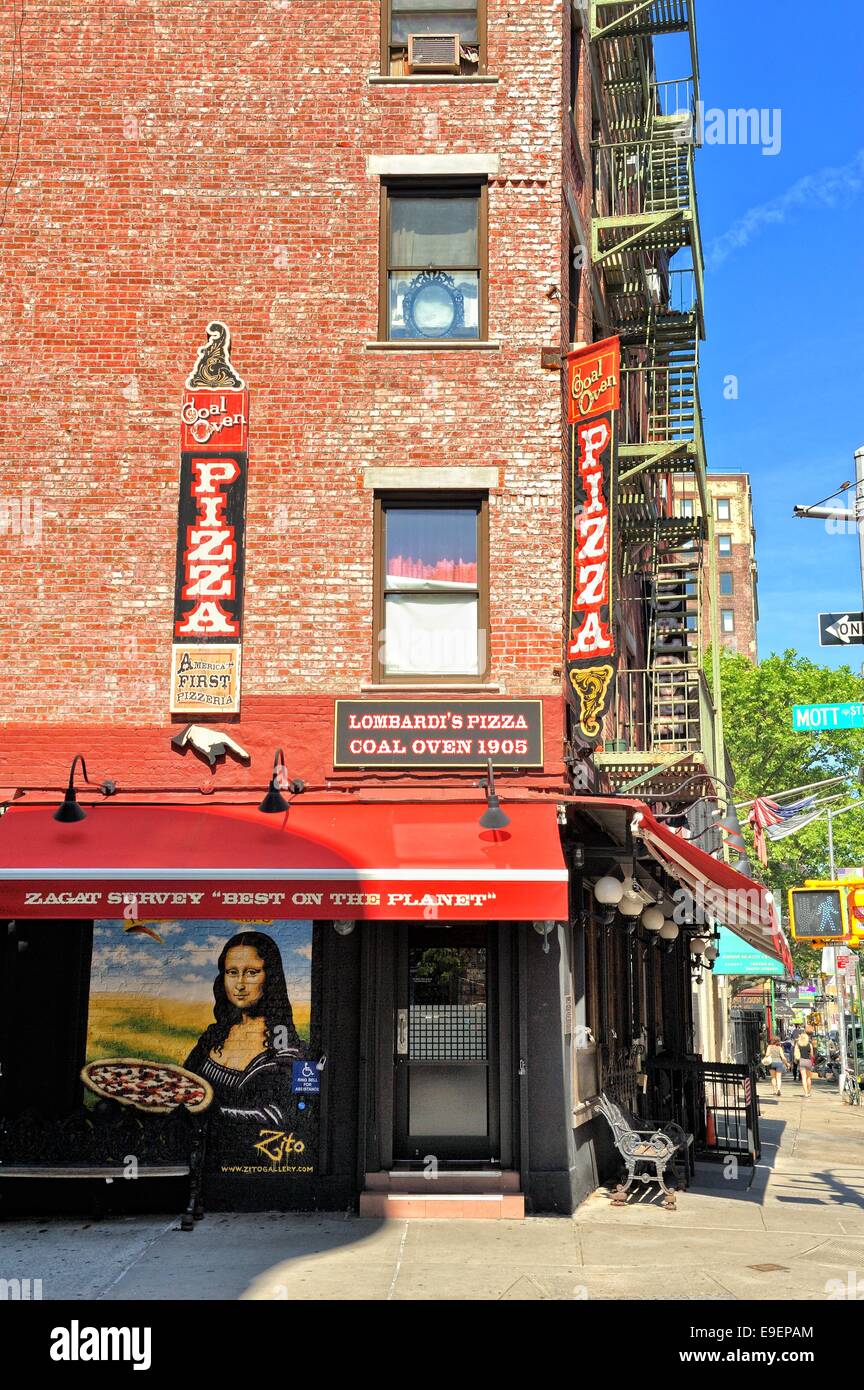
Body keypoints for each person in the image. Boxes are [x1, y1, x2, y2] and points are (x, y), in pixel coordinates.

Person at [184, 931, 305, 1140]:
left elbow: (280, 1116)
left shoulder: (286, 1048)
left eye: (251, 972)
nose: (239, 984)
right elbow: (182, 1084)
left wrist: (207, 1112)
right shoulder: (214, 1036)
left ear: (270, 977)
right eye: (232, 972)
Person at [794, 1027, 815, 1096]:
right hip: (808, 1061)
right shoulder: (809, 1045)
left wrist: (796, 1060)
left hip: (801, 1061)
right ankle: (809, 1092)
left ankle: (805, 1093)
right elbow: (812, 1055)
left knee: (803, 1077)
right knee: (808, 1078)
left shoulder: (798, 1044)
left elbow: (796, 1053)